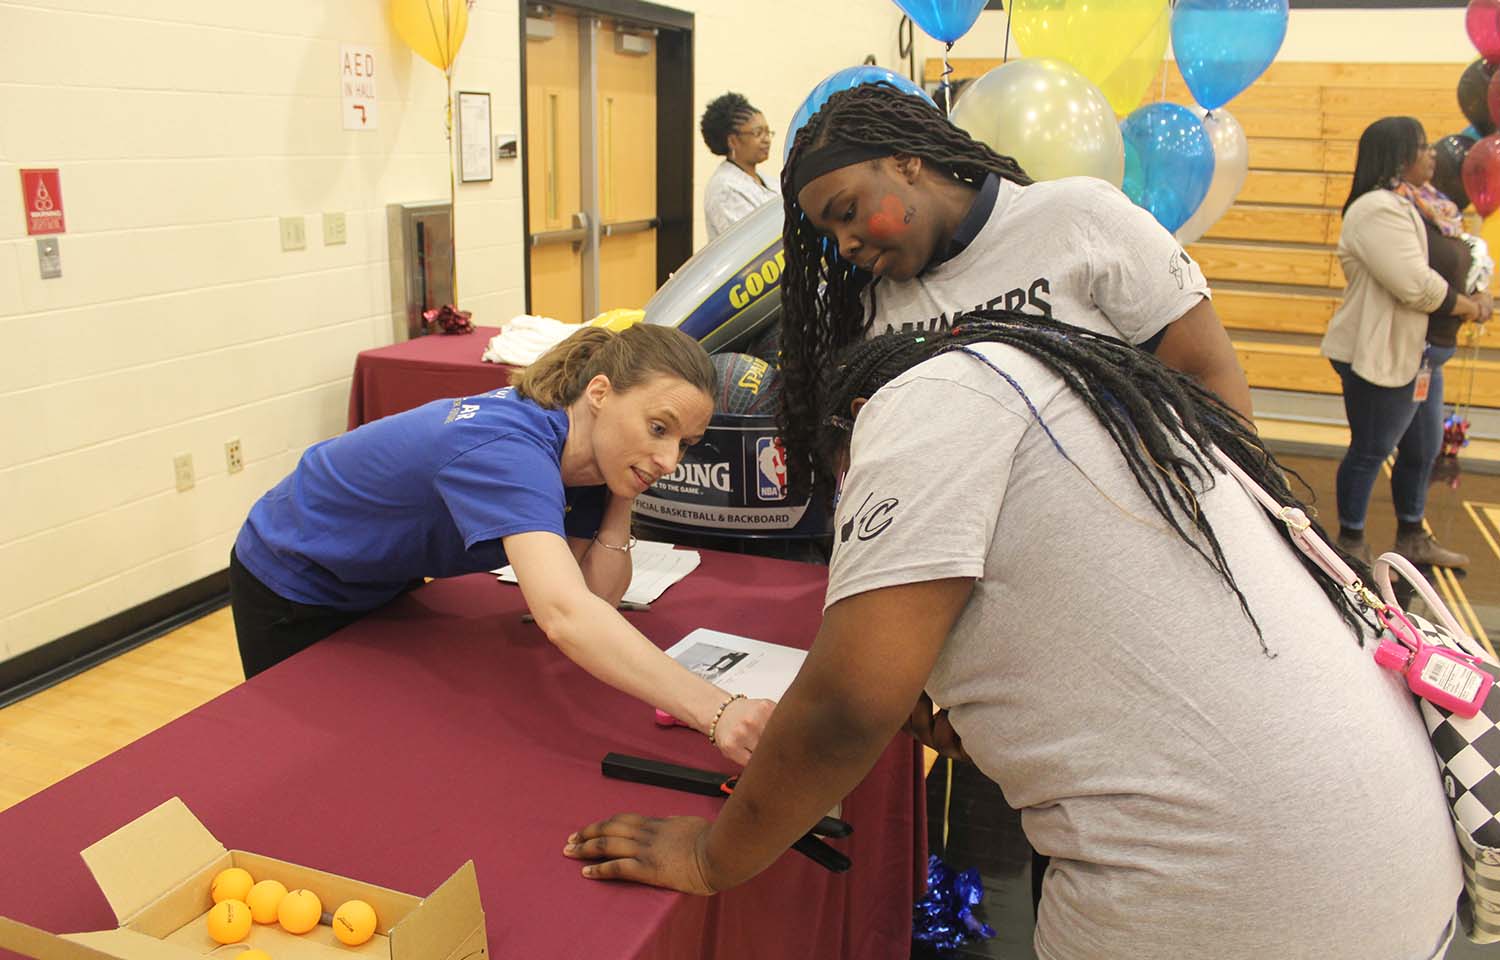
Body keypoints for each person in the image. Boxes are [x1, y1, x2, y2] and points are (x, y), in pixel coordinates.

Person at [562, 314, 1461, 960]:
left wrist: (710, 858)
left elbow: (843, 710)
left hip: (1223, 899)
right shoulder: (1089, 404)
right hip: (1397, 865)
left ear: (856, 420)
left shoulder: (923, 405)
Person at [228, 324, 773, 763]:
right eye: (659, 428)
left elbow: (596, 598)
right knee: (317, 755)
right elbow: (564, 615)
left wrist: (624, 493)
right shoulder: (509, 449)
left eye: (685, 443)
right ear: (600, 392)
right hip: (291, 575)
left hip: (377, 577)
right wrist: (716, 710)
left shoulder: (588, 458)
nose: (671, 459)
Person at [772, 81, 1253, 496]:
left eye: (849, 211)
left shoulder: (1077, 217)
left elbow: (1206, 373)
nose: (845, 244)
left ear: (905, 162)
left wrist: (1243, 521)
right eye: (829, 234)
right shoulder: (869, 307)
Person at [1322, 116, 1490, 568]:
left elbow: (1456, 259)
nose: (1433, 153)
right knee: (1372, 449)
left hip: (1422, 356)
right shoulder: (1376, 209)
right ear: (1399, 157)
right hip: (1382, 352)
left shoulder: (1423, 204)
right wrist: (1468, 308)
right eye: (1422, 146)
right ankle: (1351, 544)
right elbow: (1415, 285)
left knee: (1422, 449)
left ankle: (1413, 536)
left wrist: (1477, 286)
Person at [700, 92, 778, 242]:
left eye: (768, 132)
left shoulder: (768, 181)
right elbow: (752, 242)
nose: (767, 139)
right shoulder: (724, 188)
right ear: (733, 141)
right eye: (758, 133)